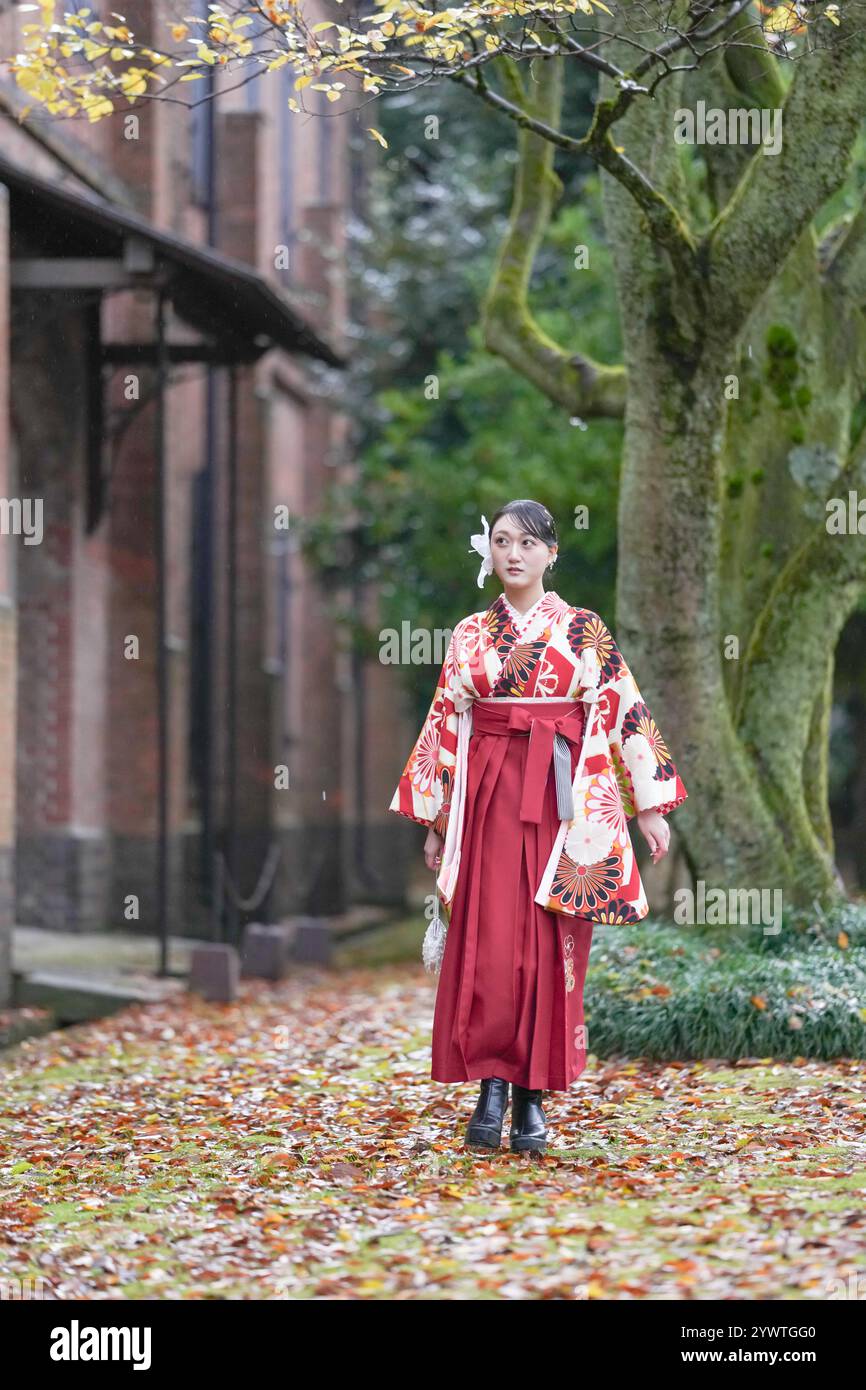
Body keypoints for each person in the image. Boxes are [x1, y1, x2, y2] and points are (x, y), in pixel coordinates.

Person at [389, 499, 687, 1154]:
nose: (514, 553)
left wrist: (649, 806)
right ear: (488, 552)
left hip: (562, 799)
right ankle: (490, 1086)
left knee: (550, 946)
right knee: (490, 944)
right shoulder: (469, 634)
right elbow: (445, 724)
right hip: (487, 796)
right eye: (501, 541)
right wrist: (436, 818)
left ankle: (533, 1096)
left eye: (528, 543)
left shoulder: (583, 631)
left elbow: (620, 713)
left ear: (553, 553)